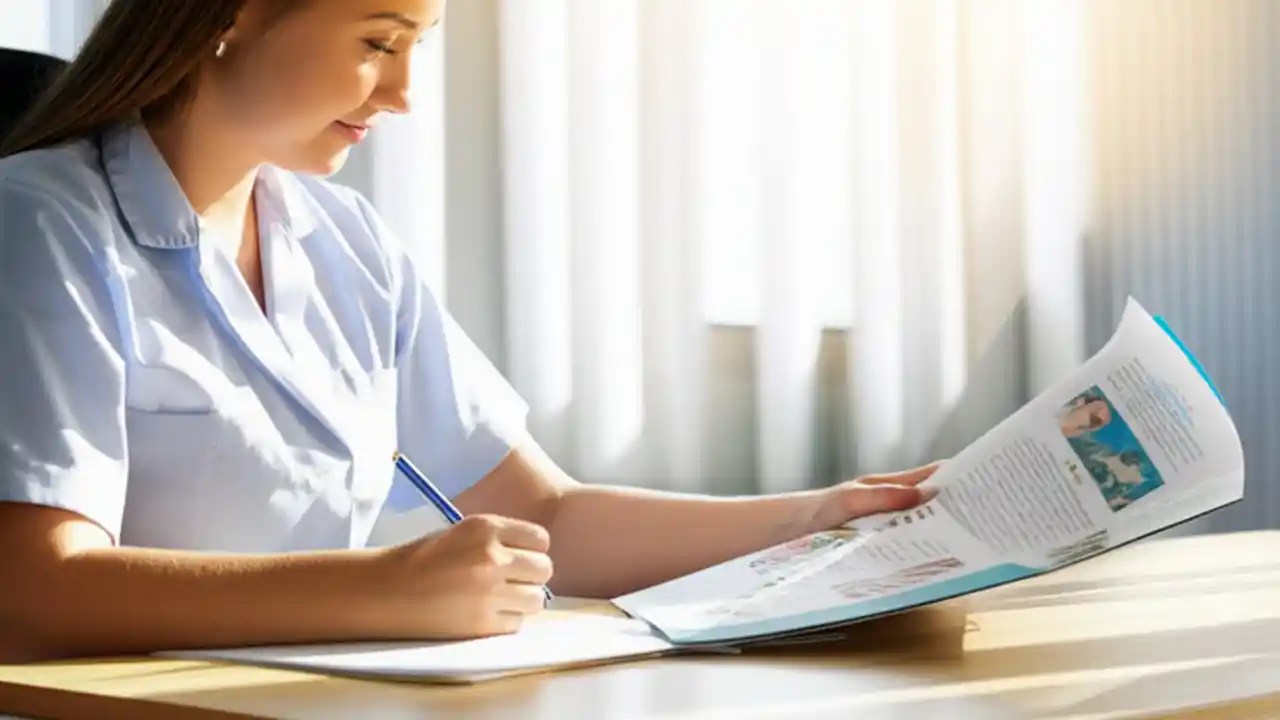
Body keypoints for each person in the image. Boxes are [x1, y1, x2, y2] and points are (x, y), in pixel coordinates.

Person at [0, 0, 937, 662]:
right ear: (233, 13)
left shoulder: (345, 241)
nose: (404, 93)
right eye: (379, 40)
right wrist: (382, 591)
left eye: (419, 46)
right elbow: (36, 593)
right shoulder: (40, 224)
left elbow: (548, 516)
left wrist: (817, 519)